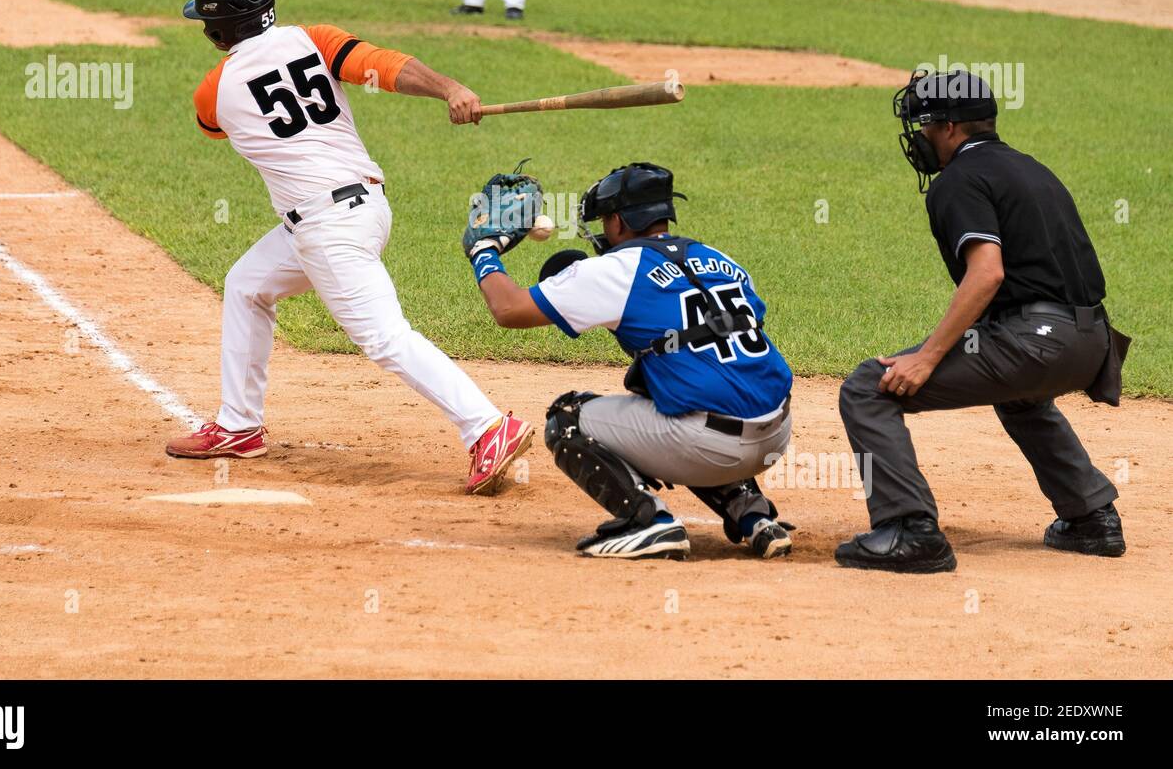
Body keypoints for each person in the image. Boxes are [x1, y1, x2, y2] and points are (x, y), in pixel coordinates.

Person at [167, 0, 532, 496]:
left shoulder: (214, 91)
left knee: (384, 338)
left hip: (327, 227)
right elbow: (383, 66)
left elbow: (214, 128)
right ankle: (239, 426)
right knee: (248, 284)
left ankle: (488, 427)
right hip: (360, 209)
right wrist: (449, 88)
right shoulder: (316, 39)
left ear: (218, 30)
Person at [835, 69, 1129, 573]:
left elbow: (987, 274)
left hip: (1039, 342)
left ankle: (911, 530)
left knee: (869, 386)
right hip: (1092, 343)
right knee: (1019, 397)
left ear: (949, 128)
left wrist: (926, 358)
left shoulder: (958, 180)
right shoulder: (1032, 167)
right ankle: (1091, 519)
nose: (919, 140)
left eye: (923, 128)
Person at [461, 162, 795, 560]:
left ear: (618, 220)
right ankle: (753, 515)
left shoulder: (615, 270)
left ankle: (649, 522)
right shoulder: (720, 259)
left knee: (567, 417)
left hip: (708, 447)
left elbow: (508, 309)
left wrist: (483, 250)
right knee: (674, 389)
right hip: (776, 435)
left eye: (605, 219)